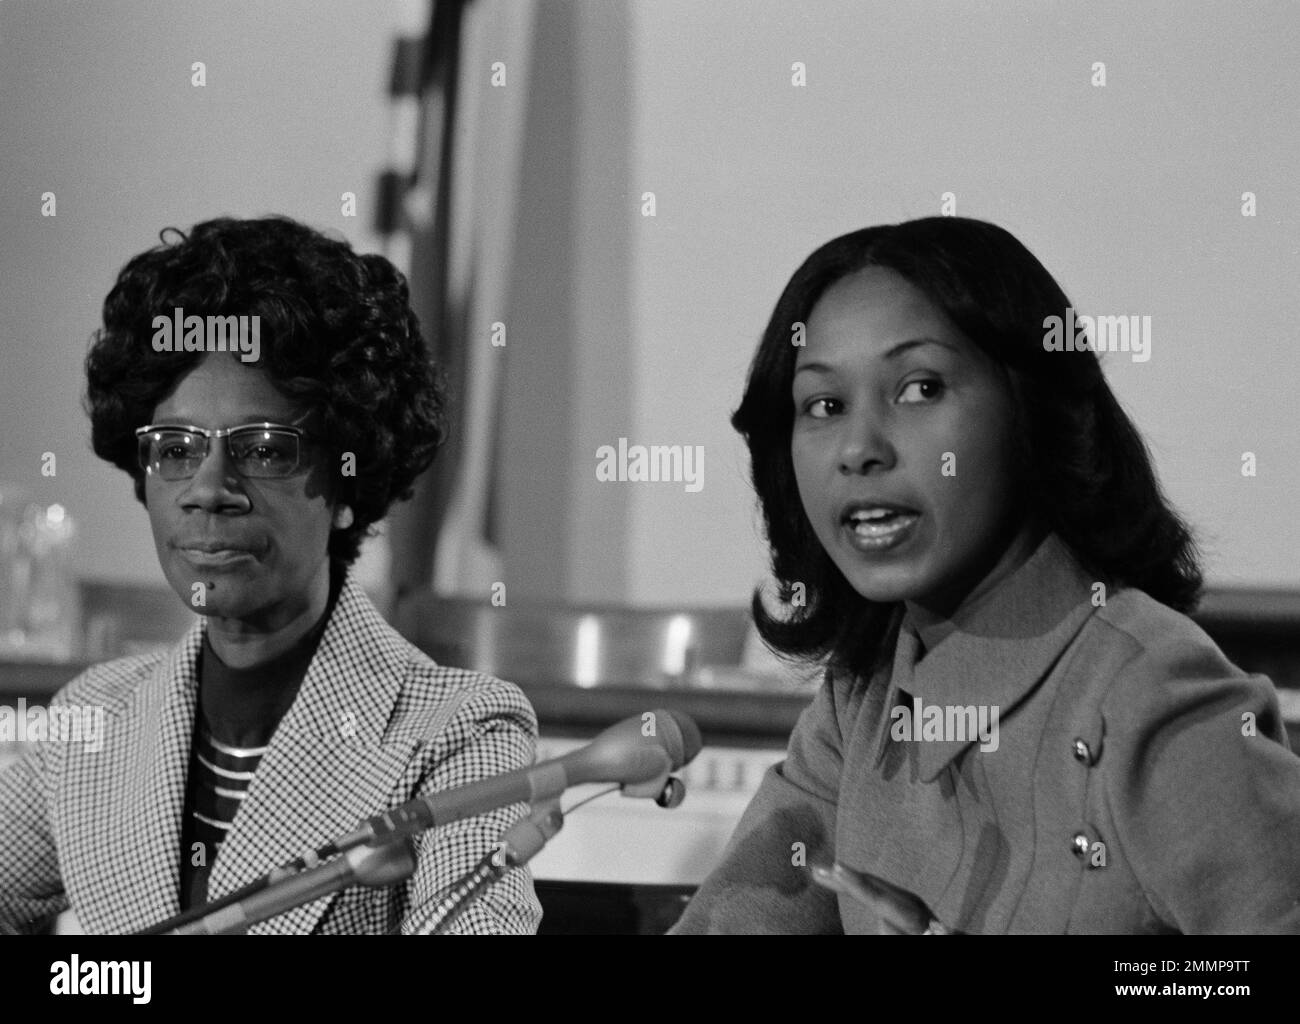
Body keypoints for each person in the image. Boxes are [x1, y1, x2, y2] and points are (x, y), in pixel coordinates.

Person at [672, 216, 1300, 934]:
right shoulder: (865, 700)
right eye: (824, 405)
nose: (858, 448)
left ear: (1029, 408)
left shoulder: (1147, 691)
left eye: (919, 389)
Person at [0, 216, 541, 934]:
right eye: (175, 447)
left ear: (347, 483)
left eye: (262, 449)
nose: (208, 487)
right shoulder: (95, 717)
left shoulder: (455, 733)